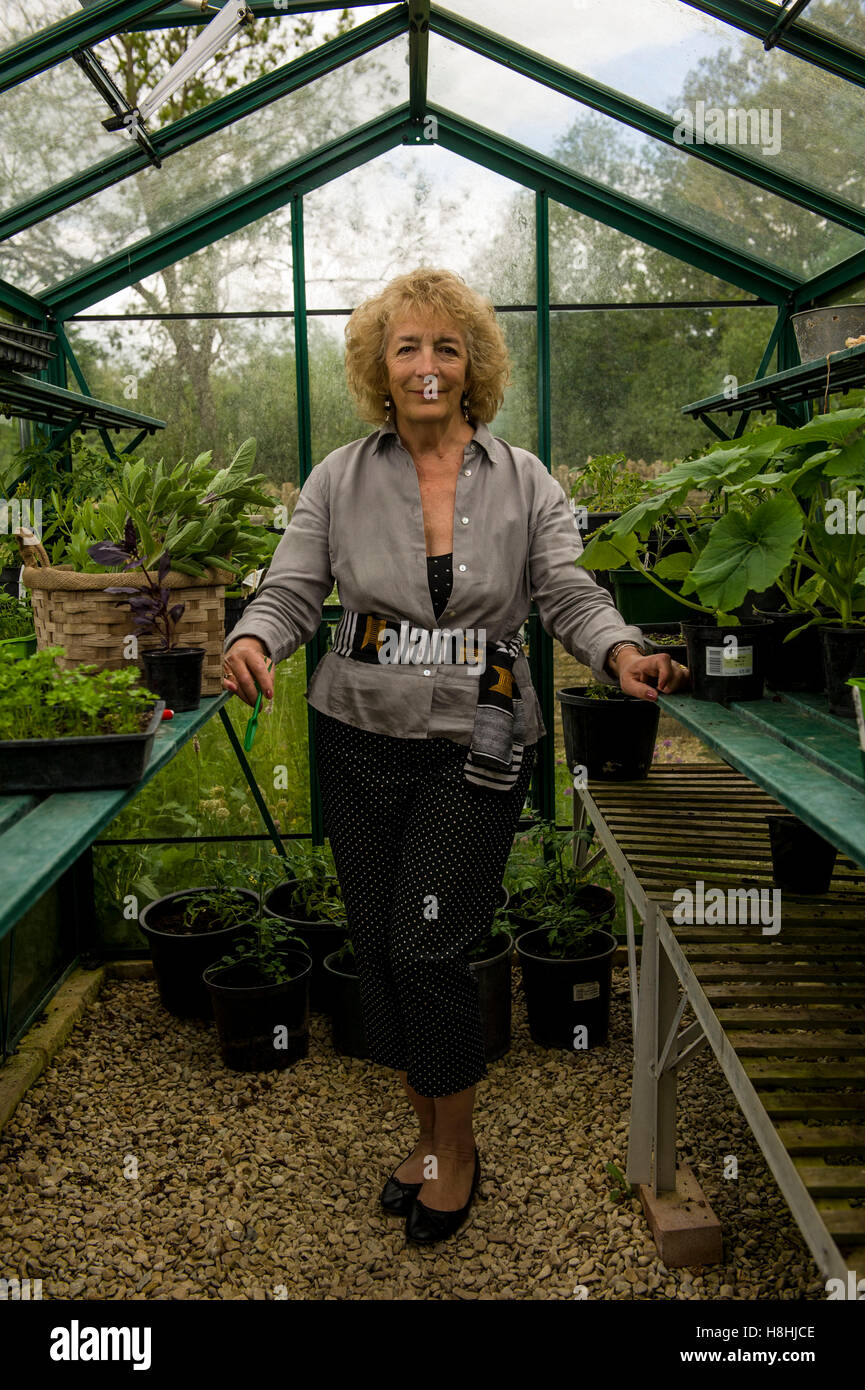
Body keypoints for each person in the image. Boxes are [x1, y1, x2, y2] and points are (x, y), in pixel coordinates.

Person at [222, 266, 690, 1245]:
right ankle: (426, 1135)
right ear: (379, 370)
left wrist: (618, 650)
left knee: (428, 945)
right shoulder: (338, 479)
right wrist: (255, 637)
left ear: (471, 364)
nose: (427, 365)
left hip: (477, 744)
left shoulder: (523, 480)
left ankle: (457, 1152)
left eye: (446, 346)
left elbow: (566, 591)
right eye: (407, 347)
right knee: (383, 952)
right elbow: (293, 586)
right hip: (358, 739)